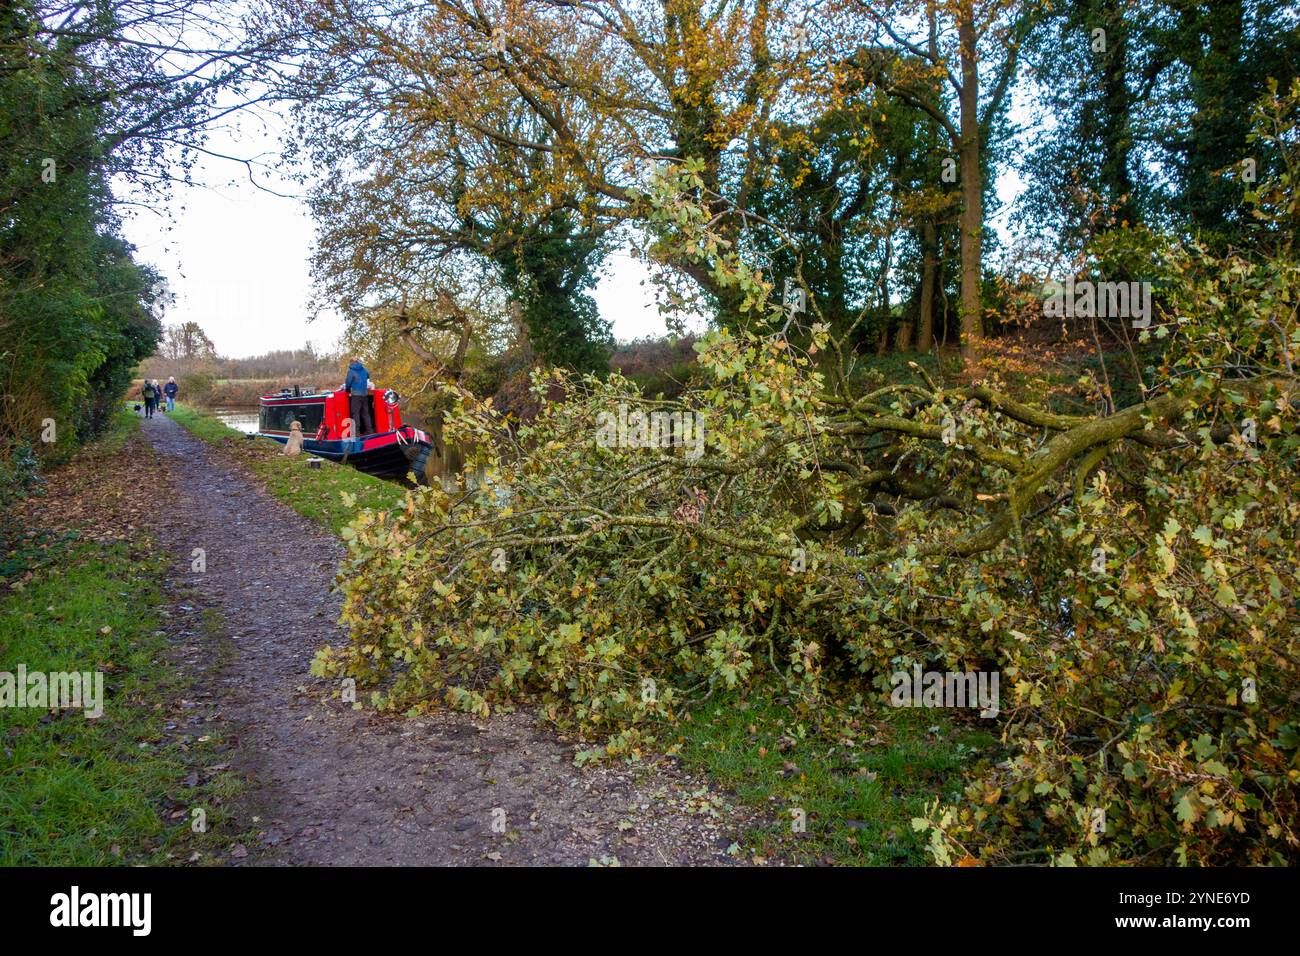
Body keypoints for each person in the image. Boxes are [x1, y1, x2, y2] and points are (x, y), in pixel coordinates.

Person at [343, 357, 375, 436]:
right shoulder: (364, 369)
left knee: (355, 413)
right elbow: (368, 375)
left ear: (351, 363)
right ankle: (370, 431)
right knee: (366, 413)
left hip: (356, 395)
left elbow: (348, 383)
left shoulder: (351, 371)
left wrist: (347, 390)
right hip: (364, 394)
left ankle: (357, 433)